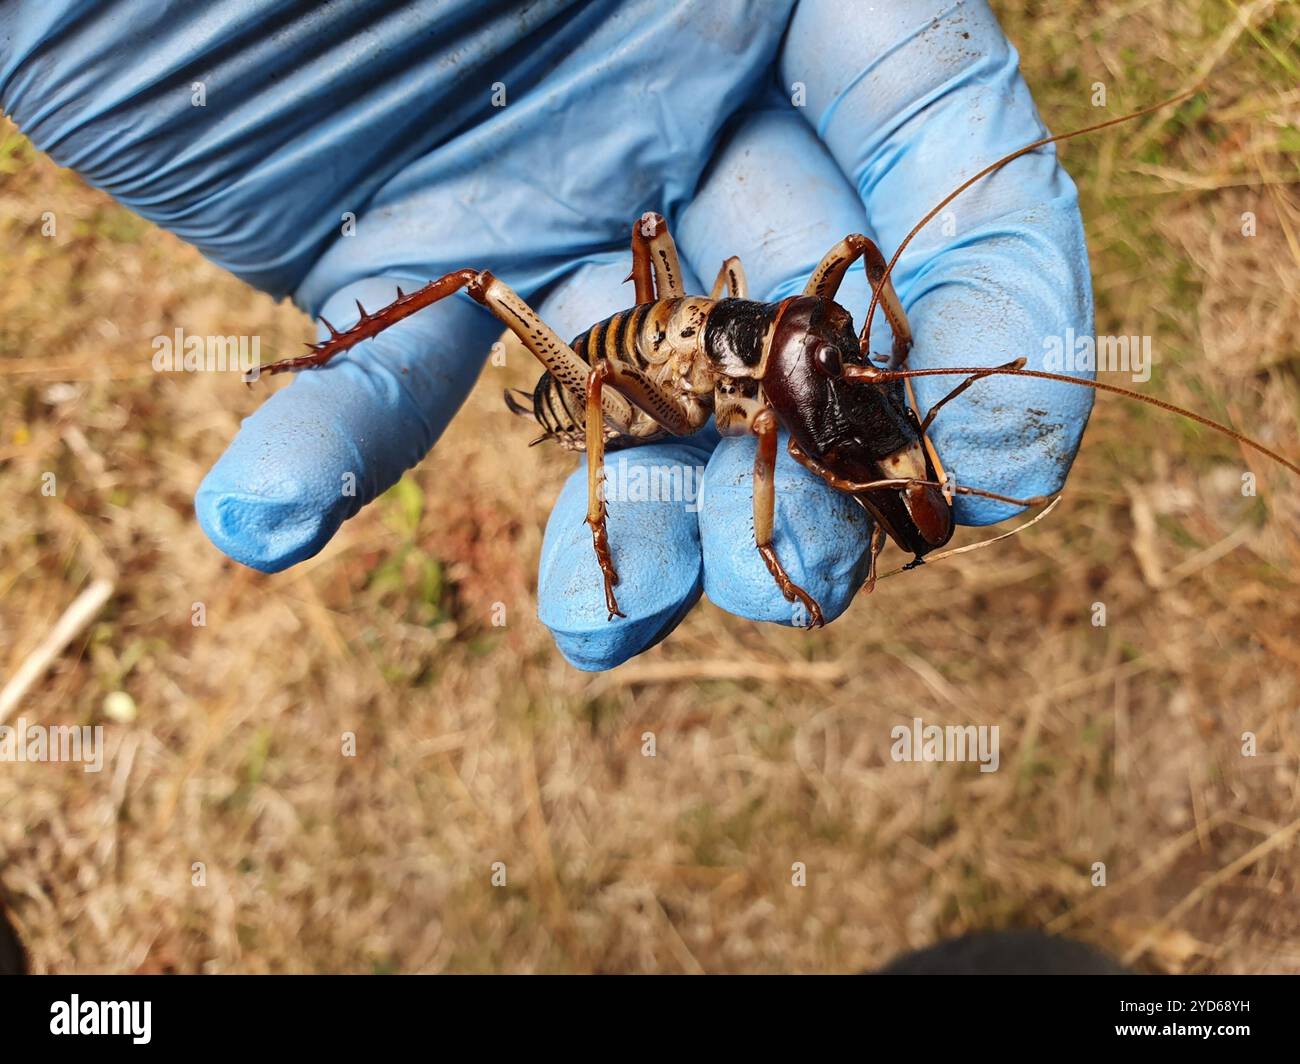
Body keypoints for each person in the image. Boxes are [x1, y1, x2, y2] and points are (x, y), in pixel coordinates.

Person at [0, 0, 1092, 670]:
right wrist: (658, 502)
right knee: (489, 286)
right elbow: (729, 419)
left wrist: (875, 354)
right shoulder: (726, 409)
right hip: (598, 376)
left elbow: (822, 308)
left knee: (821, 279)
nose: (831, 364)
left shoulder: (787, 344)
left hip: (695, 324)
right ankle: (334, 367)